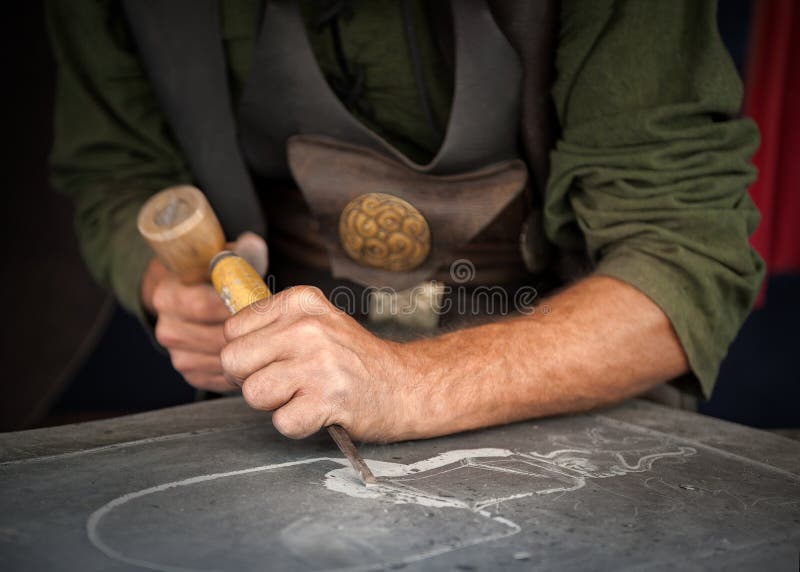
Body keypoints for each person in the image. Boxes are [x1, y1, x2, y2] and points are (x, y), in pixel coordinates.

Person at [47, 0, 763, 442]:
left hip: (561, 396)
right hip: (280, 415)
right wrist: (169, 291)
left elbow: (683, 258)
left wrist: (407, 383)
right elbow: (114, 167)